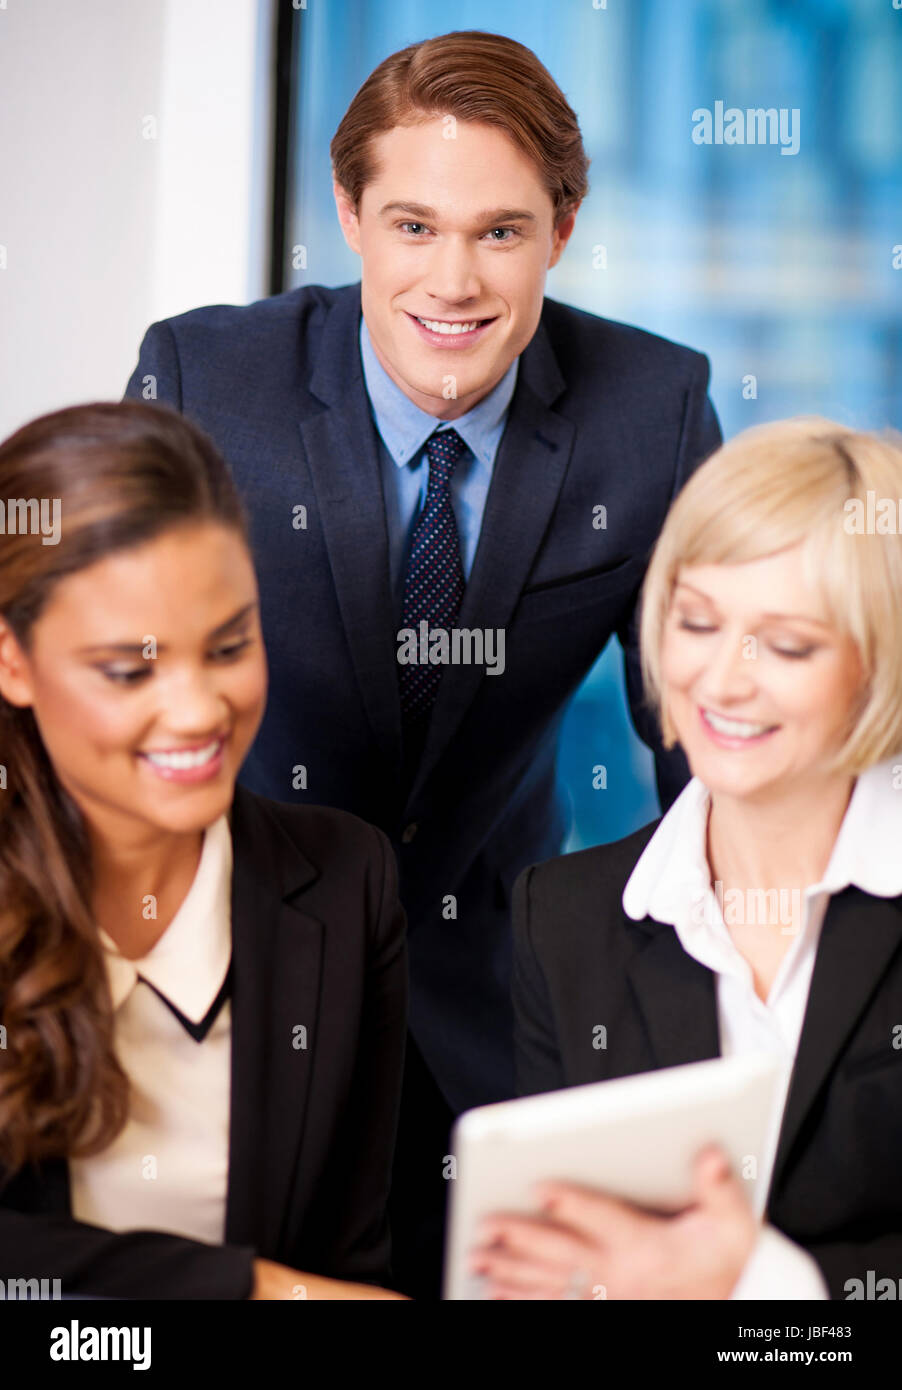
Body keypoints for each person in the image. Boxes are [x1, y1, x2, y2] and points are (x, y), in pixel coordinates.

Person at [124, 29, 721, 1298]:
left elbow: (702, 742)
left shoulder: (651, 408)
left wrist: (721, 1043)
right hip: (223, 988)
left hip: (489, 998)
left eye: (500, 232)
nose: (451, 280)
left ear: (561, 228)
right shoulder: (205, 379)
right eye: (411, 226)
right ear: (346, 217)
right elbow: (103, 689)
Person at [469, 416, 902, 1299]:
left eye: (787, 645)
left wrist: (754, 1287)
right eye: (696, 622)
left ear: (880, 662)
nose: (723, 680)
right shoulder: (566, 916)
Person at [0, 401, 407, 1300]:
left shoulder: (345, 883)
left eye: (229, 647)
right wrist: (251, 1290)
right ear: (15, 662)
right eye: (131, 670)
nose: (197, 712)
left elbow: (349, 1266)